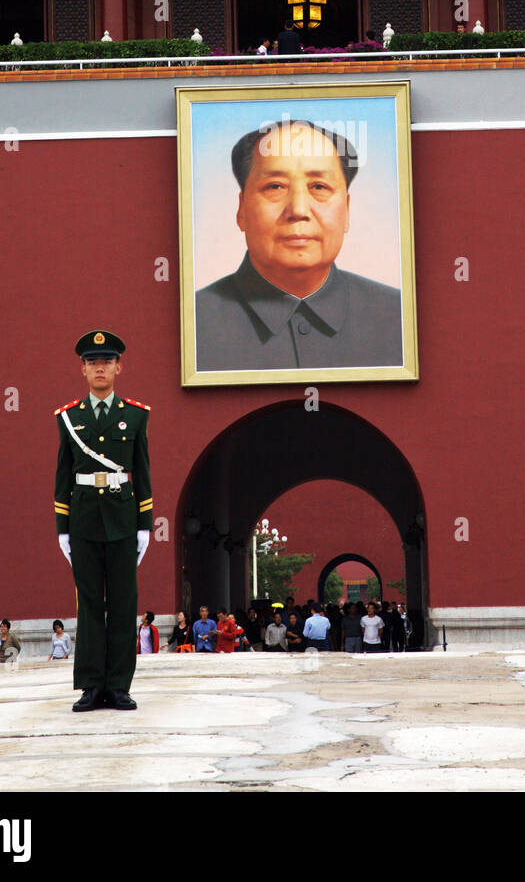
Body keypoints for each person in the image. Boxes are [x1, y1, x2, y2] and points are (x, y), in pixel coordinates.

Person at [195, 120, 403, 371]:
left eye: (319, 187)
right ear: (241, 210)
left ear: (347, 210)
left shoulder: (399, 318)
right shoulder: (192, 323)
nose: (299, 210)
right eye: (275, 187)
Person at [55, 329, 153, 712]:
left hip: (123, 517)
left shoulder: (135, 415)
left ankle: (119, 685)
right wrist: (62, 529)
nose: (100, 368)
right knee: (90, 604)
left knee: (125, 603)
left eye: (107, 362)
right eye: (93, 363)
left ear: (118, 367)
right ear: (83, 370)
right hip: (82, 520)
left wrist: (144, 524)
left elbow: (142, 472)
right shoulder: (68, 418)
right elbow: (62, 476)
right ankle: (91, 685)